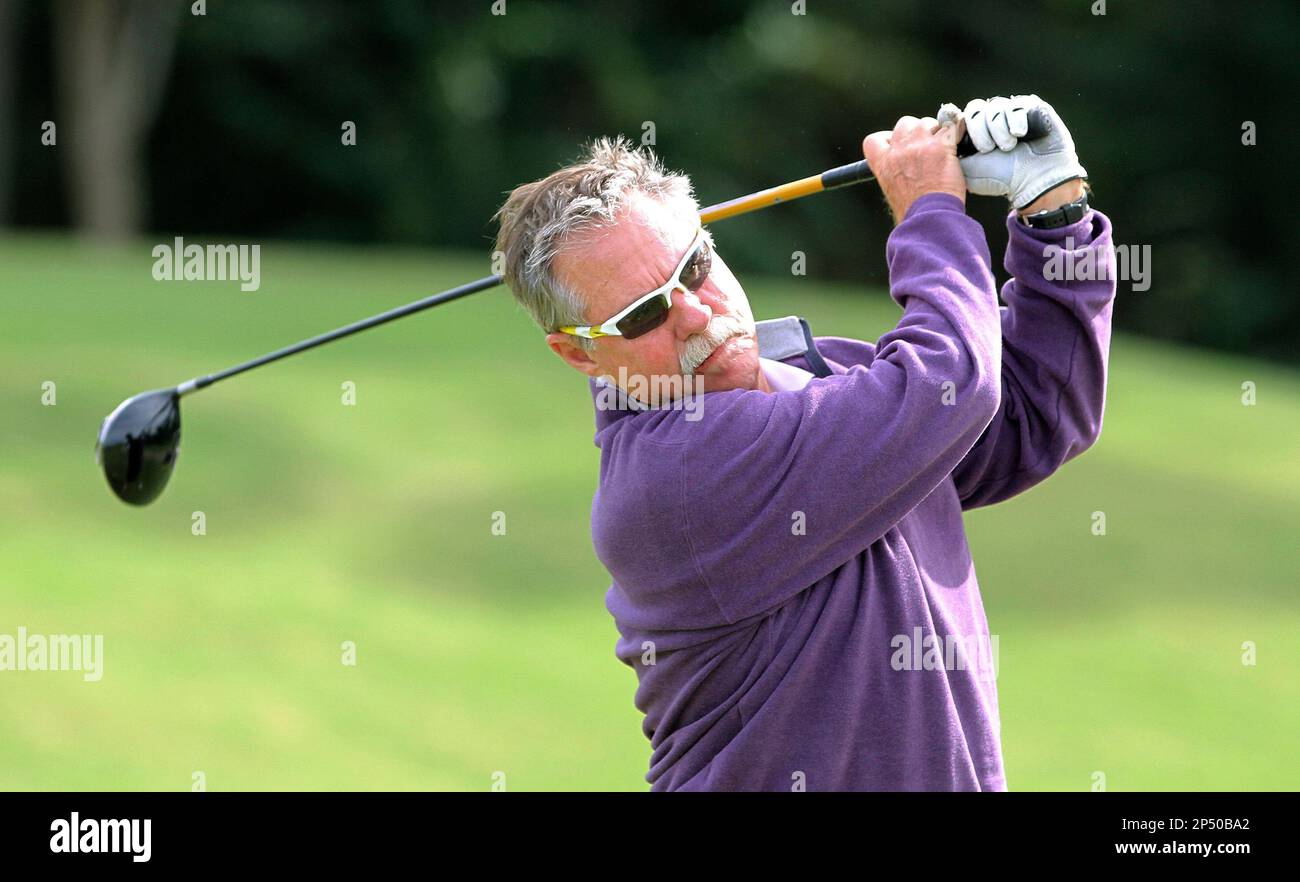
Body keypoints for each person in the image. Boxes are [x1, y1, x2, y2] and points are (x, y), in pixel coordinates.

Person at [493, 94, 1116, 790]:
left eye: (693, 268)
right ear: (580, 356)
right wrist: (931, 211)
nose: (696, 314)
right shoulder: (677, 477)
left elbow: (1039, 410)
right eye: (644, 314)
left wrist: (1052, 209)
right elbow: (953, 382)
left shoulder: (822, 377)